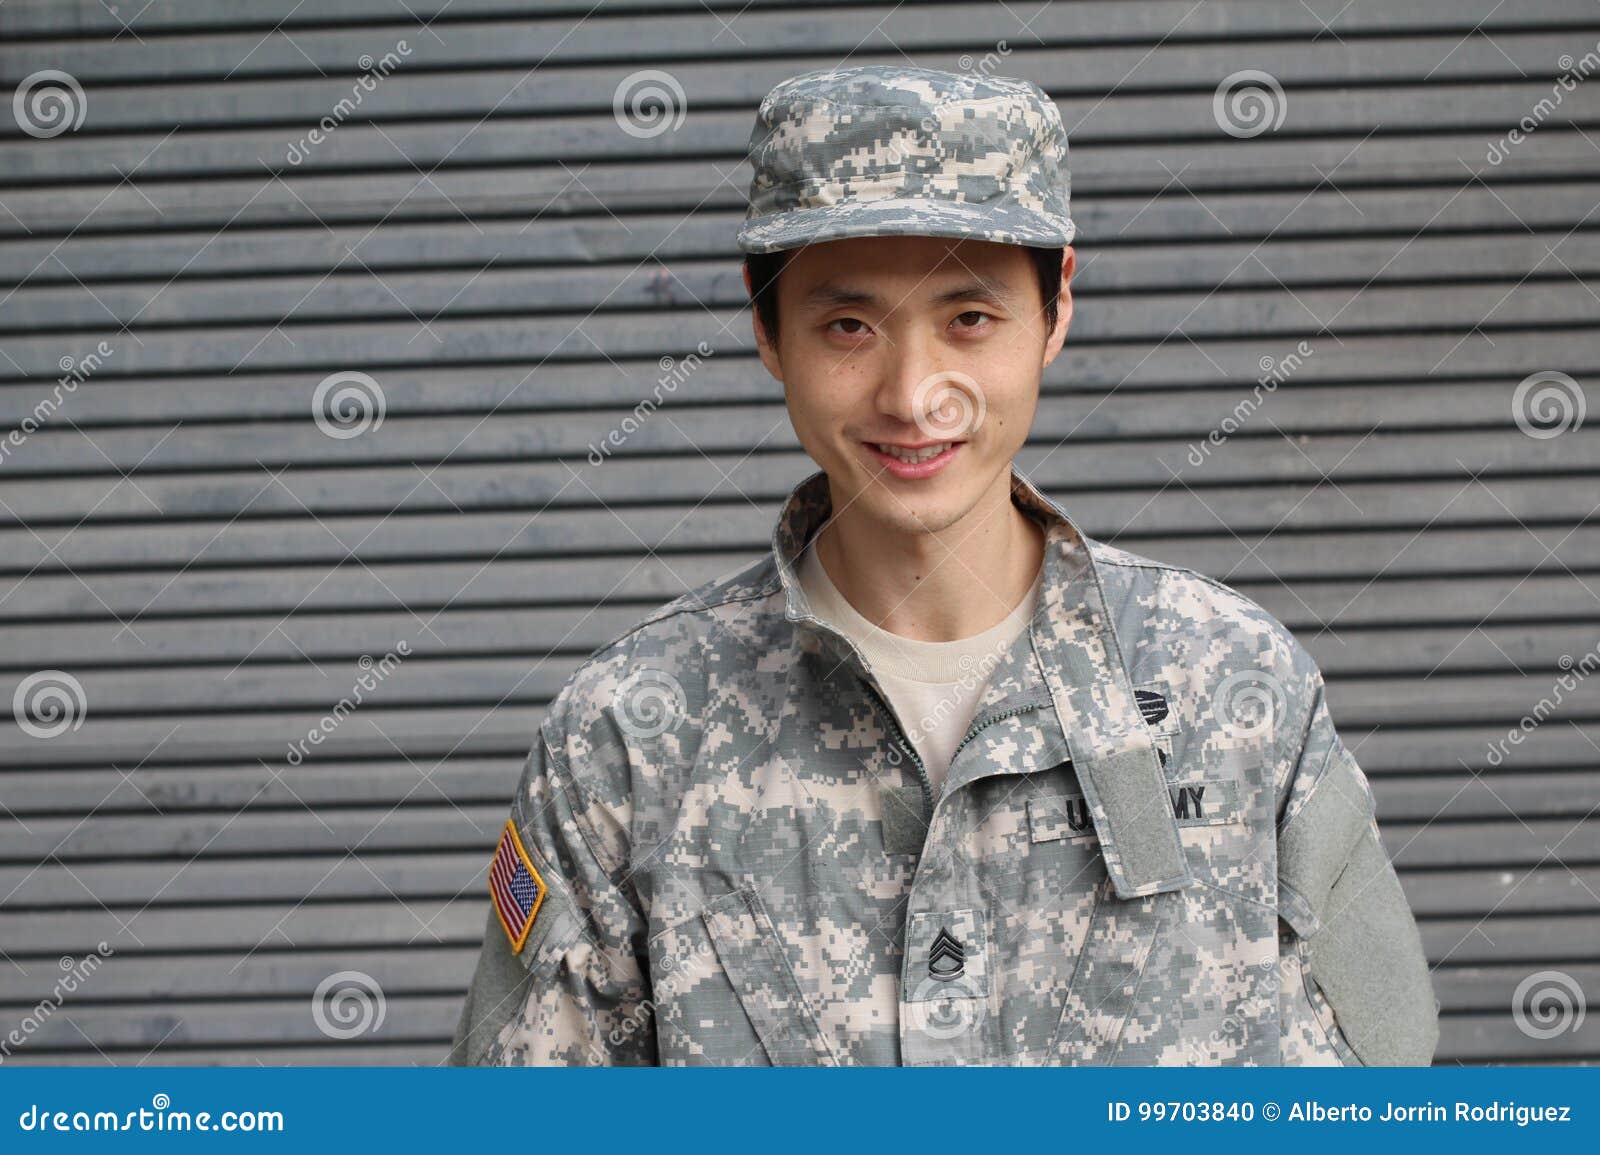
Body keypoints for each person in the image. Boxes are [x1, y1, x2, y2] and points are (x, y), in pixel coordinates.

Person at [449, 64, 1439, 1066]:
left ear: (1056, 308)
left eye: (968, 318)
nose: (914, 394)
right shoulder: (629, 736)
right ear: (765, 329)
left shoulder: (1238, 689)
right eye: (848, 325)